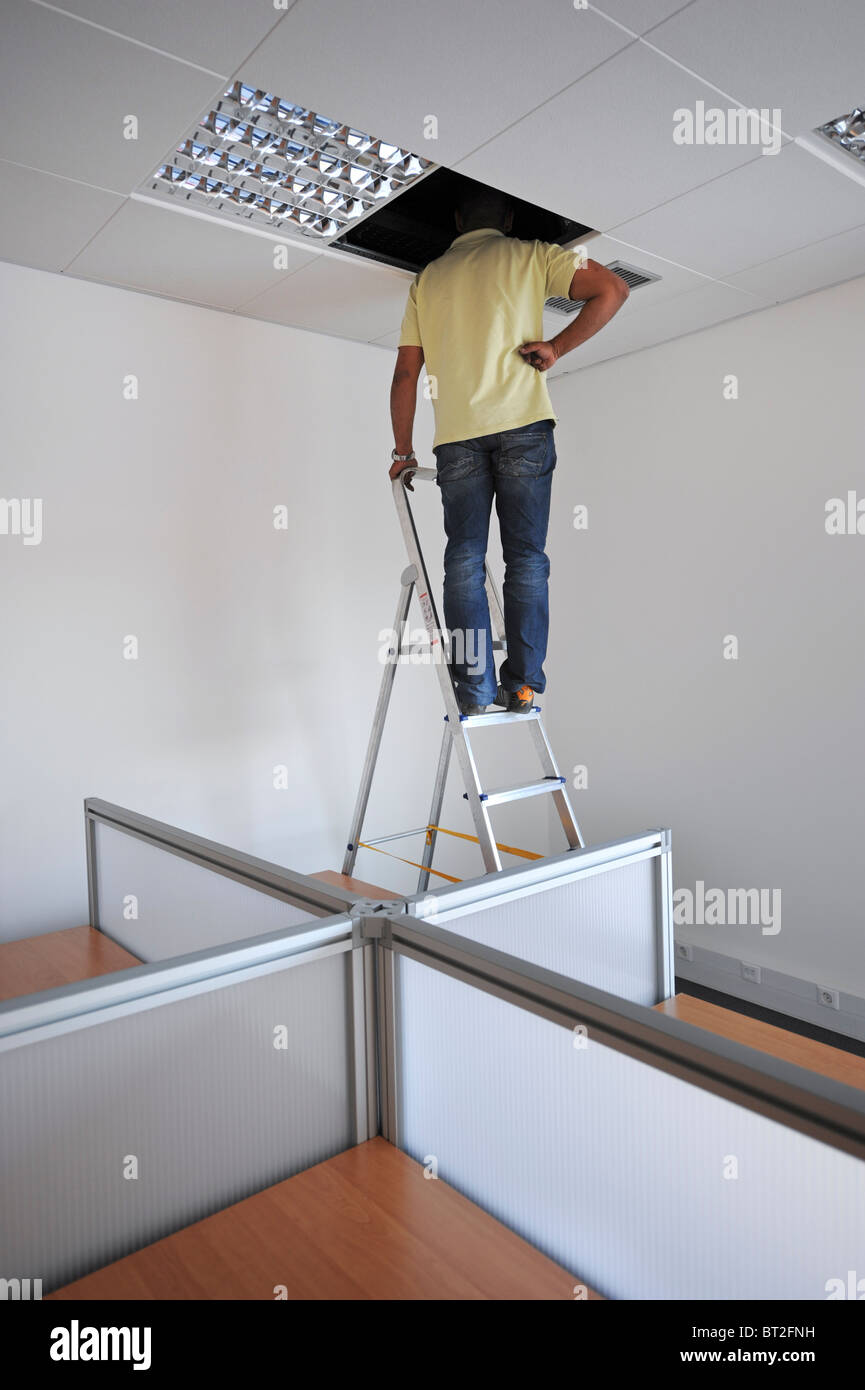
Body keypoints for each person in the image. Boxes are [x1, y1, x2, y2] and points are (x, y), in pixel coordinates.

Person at [388, 185, 628, 714]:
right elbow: (612, 289)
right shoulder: (531, 254)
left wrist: (403, 451)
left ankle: (472, 690)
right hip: (525, 426)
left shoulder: (427, 280)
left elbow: (407, 372)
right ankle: (520, 684)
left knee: (464, 562)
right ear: (510, 217)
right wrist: (556, 348)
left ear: (456, 220)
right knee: (527, 562)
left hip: (457, 438)